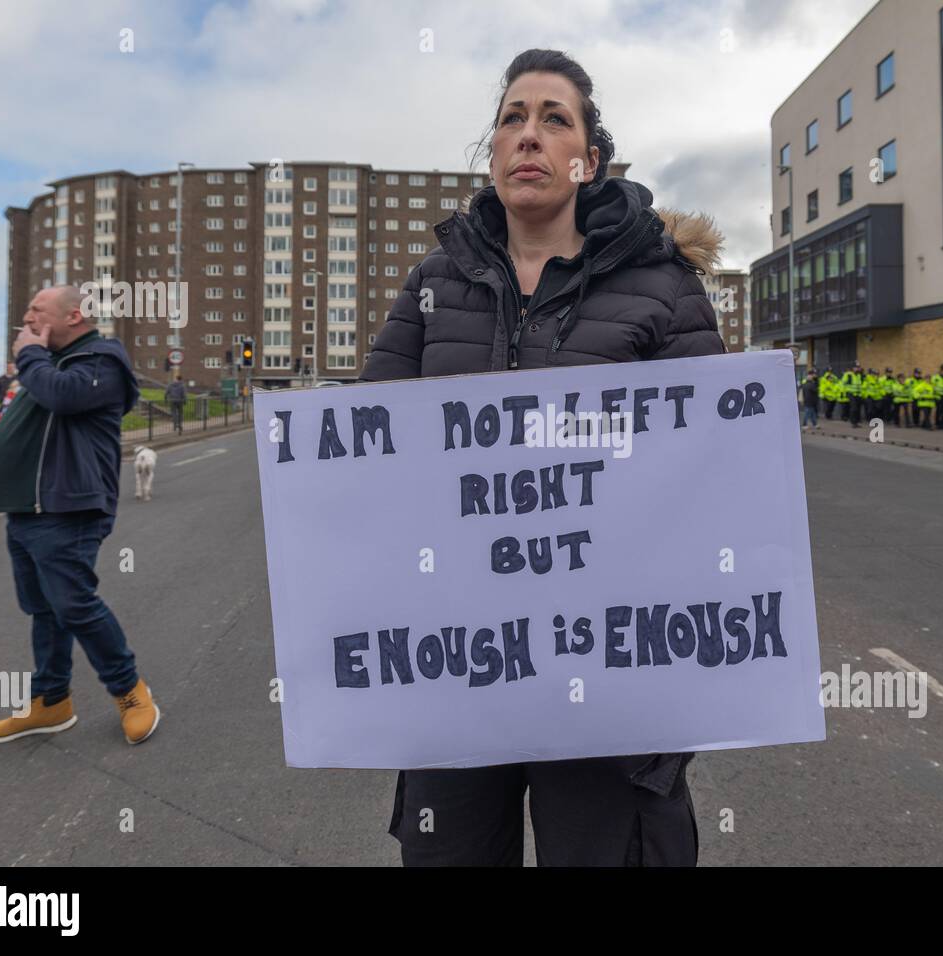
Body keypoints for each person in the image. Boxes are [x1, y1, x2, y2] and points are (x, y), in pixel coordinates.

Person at [360, 49, 718, 867]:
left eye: (555, 119)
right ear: (492, 155)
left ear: (587, 161)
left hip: (608, 676)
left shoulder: (663, 288)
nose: (530, 135)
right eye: (512, 118)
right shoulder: (431, 283)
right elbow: (368, 457)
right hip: (459, 672)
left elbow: (712, 475)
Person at [0, 285, 158, 746]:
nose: (26, 317)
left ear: (73, 316)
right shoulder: (48, 363)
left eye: (36, 309)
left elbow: (62, 397)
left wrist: (30, 357)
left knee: (74, 603)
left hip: (69, 505)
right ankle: (50, 702)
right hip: (26, 508)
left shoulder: (100, 360)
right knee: (44, 608)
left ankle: (130, 691)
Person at [841, 362, 864, 428]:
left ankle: (856, 422)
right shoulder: (848, 375)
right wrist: (843, 393)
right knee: (854, 408)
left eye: (858, 367)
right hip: (850, 394)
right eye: (856, 367)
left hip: (858, 394)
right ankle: (853, 422)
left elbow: (859, 386)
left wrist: (861, 394)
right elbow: (843, 384)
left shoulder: (859, 375)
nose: (858, 369)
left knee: (858, 409)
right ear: (853, 368)